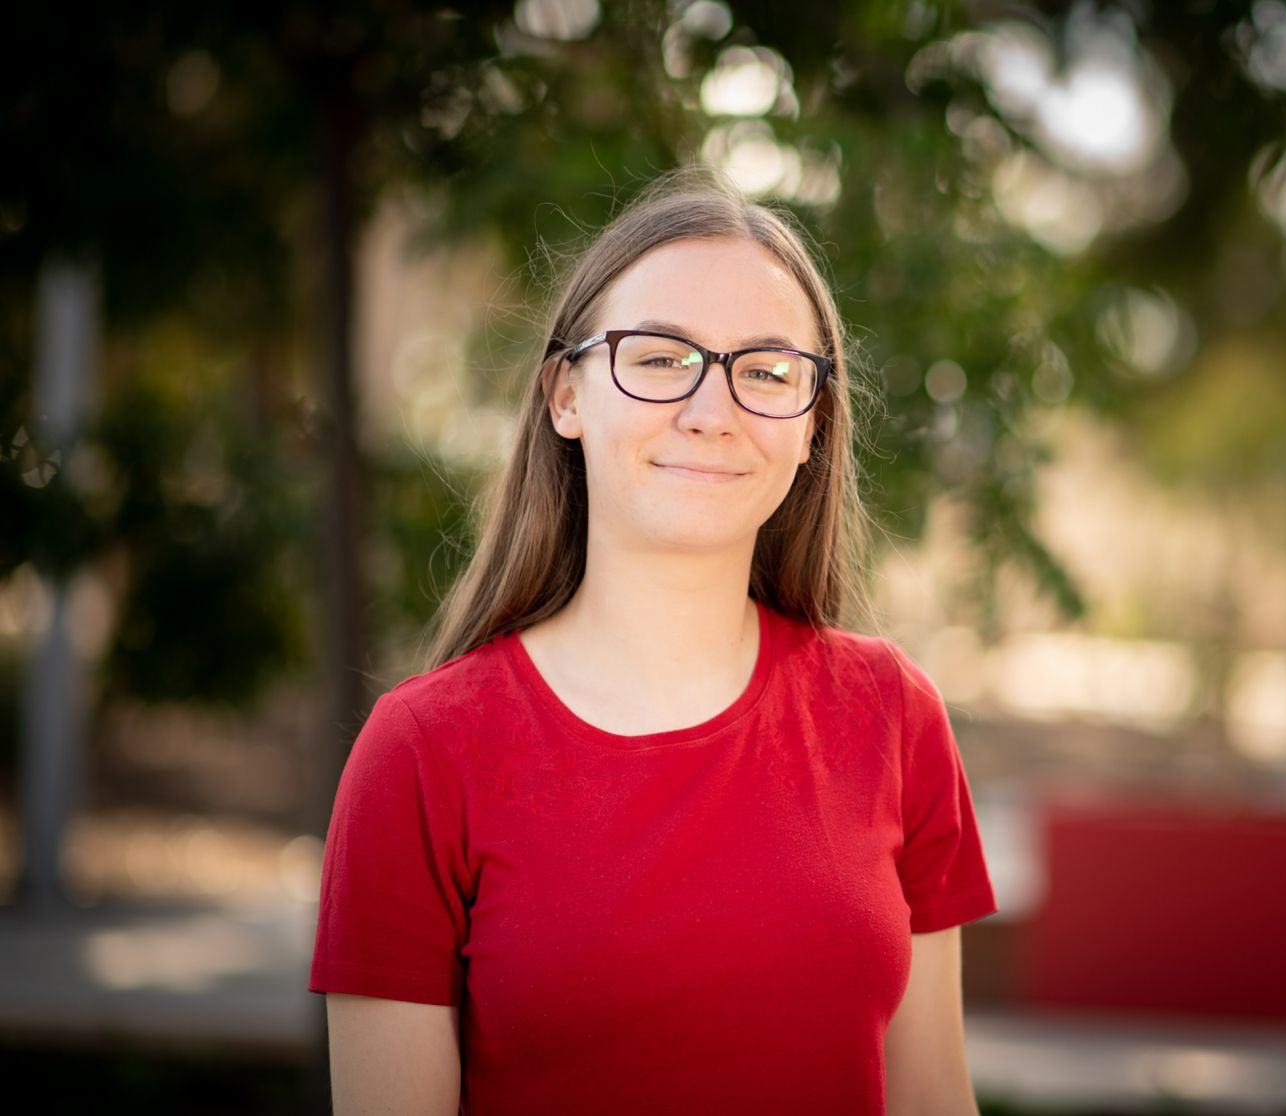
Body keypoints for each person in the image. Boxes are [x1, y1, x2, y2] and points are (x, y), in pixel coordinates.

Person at [308, 166, 998, 1115]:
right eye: (660, 355)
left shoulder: (892, 716)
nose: (713, 410)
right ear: (566, 397)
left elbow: (935, 1102)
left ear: (812, 428)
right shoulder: (422, 754)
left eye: (765, 371)